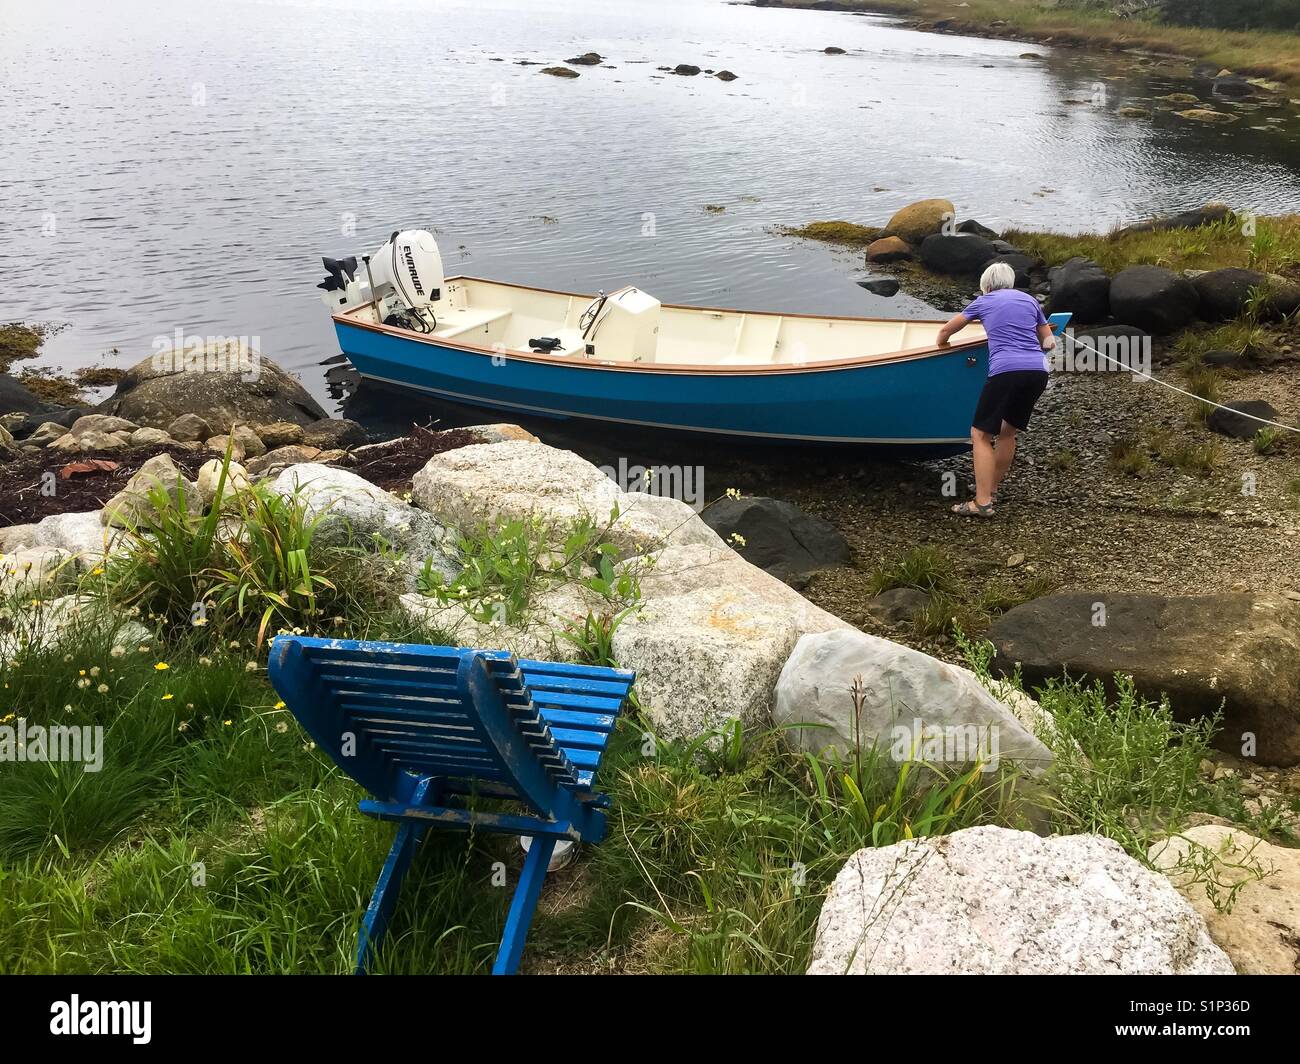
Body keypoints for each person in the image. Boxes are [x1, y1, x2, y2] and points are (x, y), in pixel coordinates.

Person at [936, 261, 1056, 517]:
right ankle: (991, 489)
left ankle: (981, 503)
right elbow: (1049, 341)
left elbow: (948, 329)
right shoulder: (1029, 300)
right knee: (1007, 431)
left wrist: (940, 344)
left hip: (1005, 371)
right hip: (1038, 371)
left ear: (987, 286)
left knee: (980, 434)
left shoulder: (983, 301)